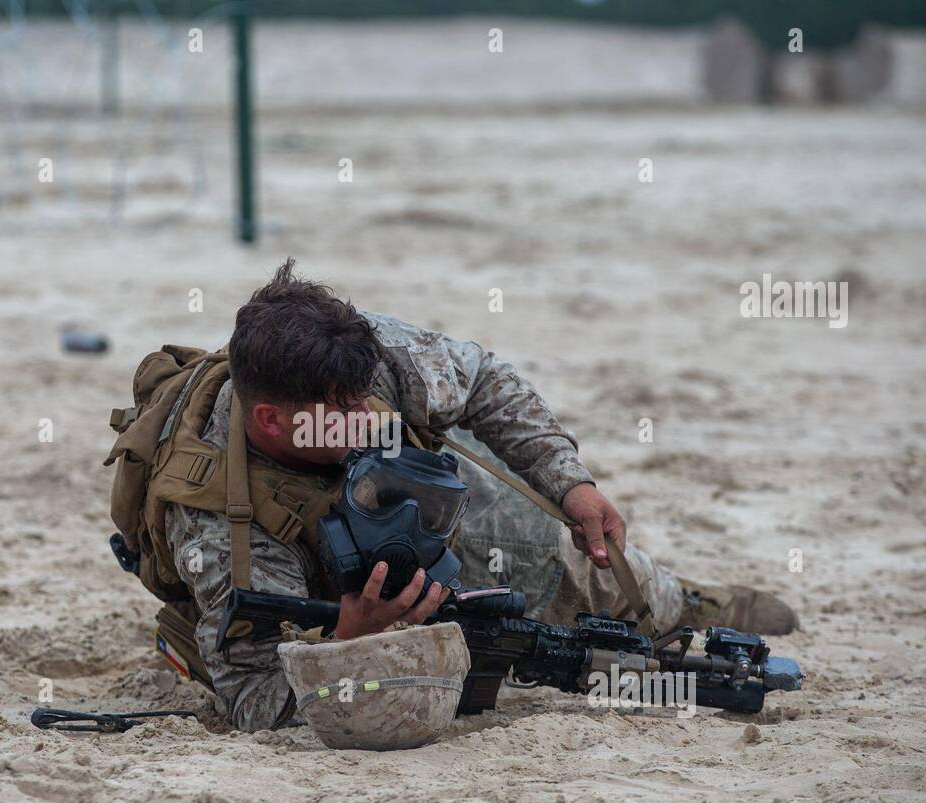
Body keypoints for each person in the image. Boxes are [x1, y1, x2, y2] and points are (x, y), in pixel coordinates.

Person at [154, 259, 797, 731]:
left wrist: (569, 483)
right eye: (344, 412)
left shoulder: (348, 357)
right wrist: (348, 641)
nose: (368, 414)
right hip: (319, 589)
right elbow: (252, 701)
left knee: (544, 552)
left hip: (399, 504)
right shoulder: (222, 530)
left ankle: (676, 603)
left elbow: (485, 380)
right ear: (271, 421)